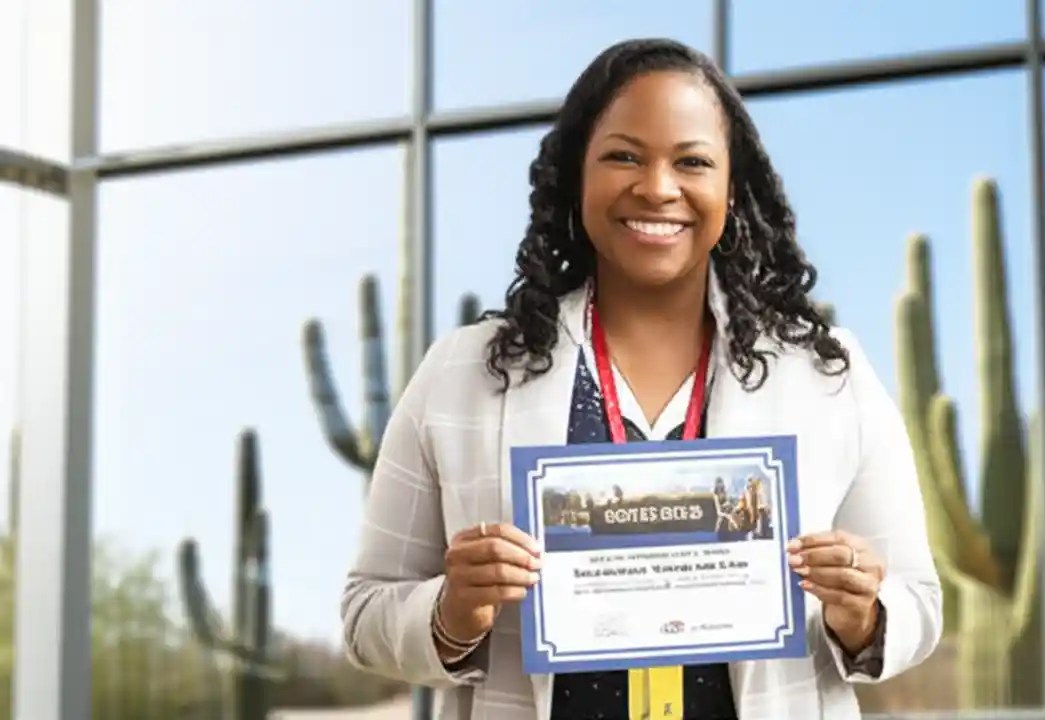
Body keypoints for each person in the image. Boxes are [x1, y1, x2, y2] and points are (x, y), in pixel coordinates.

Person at [340, 37, 942, 720]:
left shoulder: (828, 372)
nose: (657, 187)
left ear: (730, 191)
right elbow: (365, 614)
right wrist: (452, 611)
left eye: (692, 162)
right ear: (577, 177)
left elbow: (918, 604)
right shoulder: (463, 374)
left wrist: (861, 613)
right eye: (624, 156)